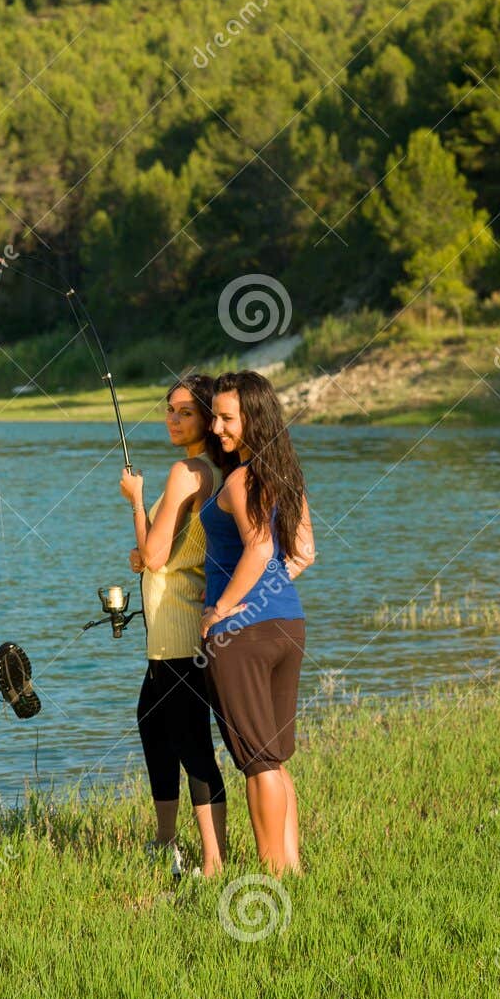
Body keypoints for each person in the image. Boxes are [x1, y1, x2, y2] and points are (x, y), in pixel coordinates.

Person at [198, 370, 314, 876]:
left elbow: (261, 546)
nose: (217, 428)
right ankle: (291, 869)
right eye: (216, 417)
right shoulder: (284, 474)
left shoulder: (242, 479)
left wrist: (223, 609)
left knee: (258, 762)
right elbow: (303, 552)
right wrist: (267, 592)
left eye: (227, 418)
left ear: (254, 419)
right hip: (288, 624)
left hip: (243, 637)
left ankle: (274, 878)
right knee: (276, 759)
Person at [120, 375, 232, 877]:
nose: (173, 419)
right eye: (169, 410)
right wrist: (145, 553)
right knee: (152, 725)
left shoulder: (186, 470)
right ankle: (166, 842)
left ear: (208, 419)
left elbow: (156, 553)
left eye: (186, 412)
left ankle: (213, 861)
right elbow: (166, 552)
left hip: (180, 632)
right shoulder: (210, 470)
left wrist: (136, 502)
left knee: (191, 746)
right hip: (170, 632)